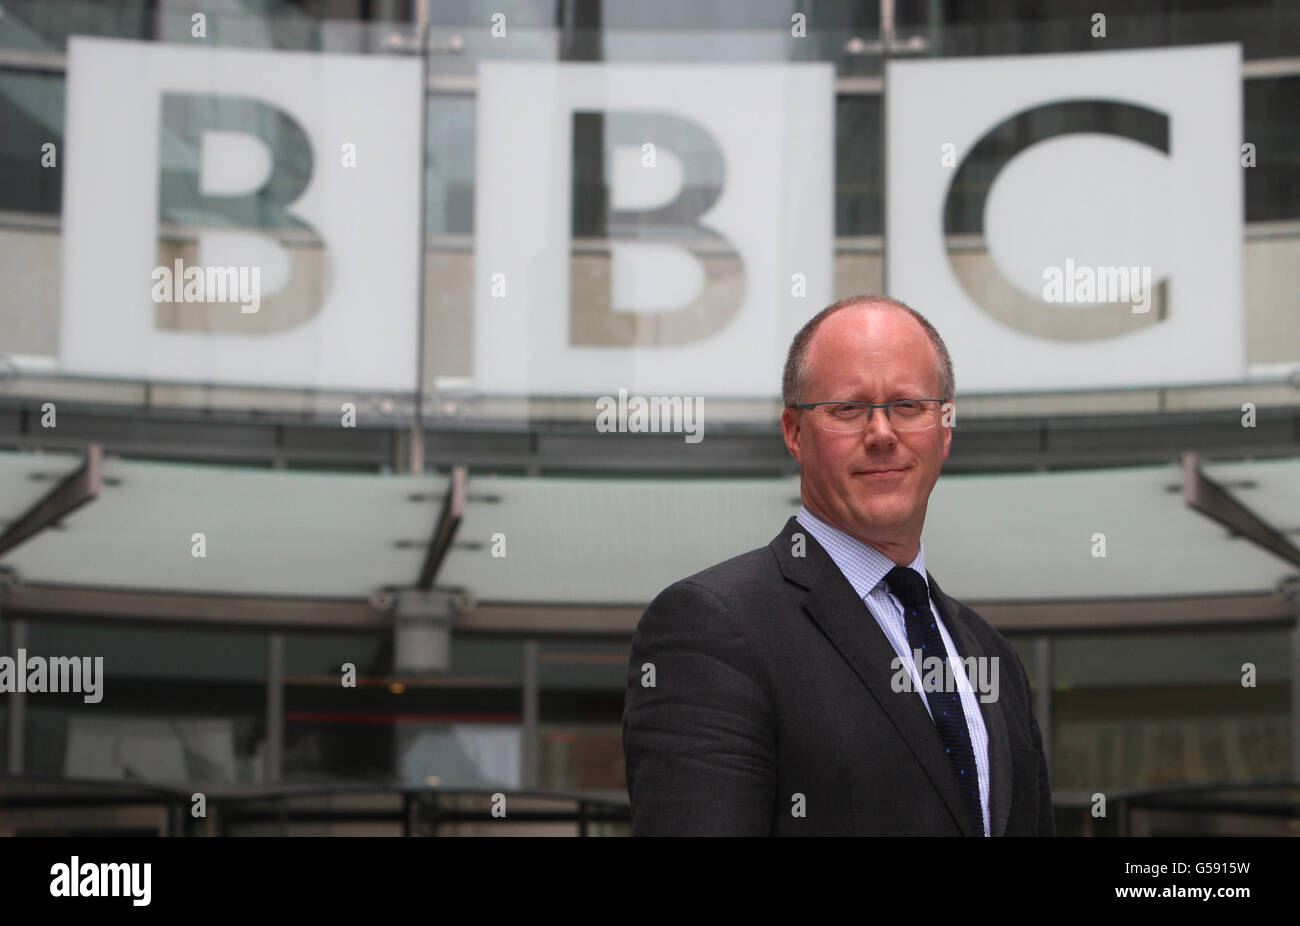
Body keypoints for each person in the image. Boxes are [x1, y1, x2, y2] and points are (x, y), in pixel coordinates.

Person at [622, 294, 1055, 836]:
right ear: (795, 433)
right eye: (847, 409)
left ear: (944, 430)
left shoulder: (992, 656)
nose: (881, 433)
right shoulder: (712, 627)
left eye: (908, 405)